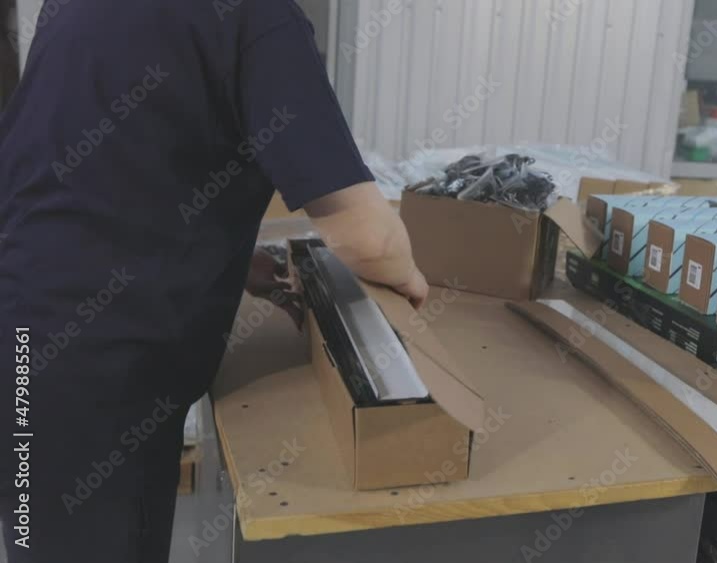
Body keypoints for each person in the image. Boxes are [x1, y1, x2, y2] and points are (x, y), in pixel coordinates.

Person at [0, 1, 427, 561]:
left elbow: (113, 161)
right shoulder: (257, 16)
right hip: (95, 380)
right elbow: (369, 239)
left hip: (25, 337)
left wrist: (233, 258)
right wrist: (412, 280)